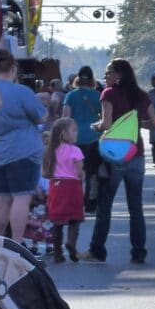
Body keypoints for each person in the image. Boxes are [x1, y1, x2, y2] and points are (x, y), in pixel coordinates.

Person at [90, 58, 155, 264]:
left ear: (120, 74)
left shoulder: (108, 94)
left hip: (113, 157)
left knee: (105, 206)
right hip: (135, 155)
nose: (105, 75)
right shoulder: (141, 96)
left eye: (109, 72)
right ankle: (139, 252)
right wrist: (135, 123)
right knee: (135, 207)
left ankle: (98, 250)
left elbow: (107, 123)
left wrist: (97, 126)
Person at [0, 50, 47, 244]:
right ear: (13, 69)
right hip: (23, 152)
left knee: (0, 198)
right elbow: (41, 116)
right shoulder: (21, 91)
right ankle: (17, 243)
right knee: (21, 198)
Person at [43, 117, 87, 262]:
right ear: (63, 133)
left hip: (56, 187)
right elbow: (79, 171)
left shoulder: (51, 151)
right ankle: (71, 244)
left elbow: (46, 172)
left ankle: (57, 253)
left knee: (57, 222)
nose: (76, 133)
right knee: (75, 219)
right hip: (72, 187)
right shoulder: (75, 150)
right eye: (74, 130)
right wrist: (83, 175)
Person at [63, 69, 104, 213]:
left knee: (76, 174)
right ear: (92, 79)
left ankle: (76, 204)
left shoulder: (71, 96)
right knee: (92, 174)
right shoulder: (98, 96)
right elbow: (104, 118)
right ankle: (90, 203)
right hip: (94, 138)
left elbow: (66, 118)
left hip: (75, 139)